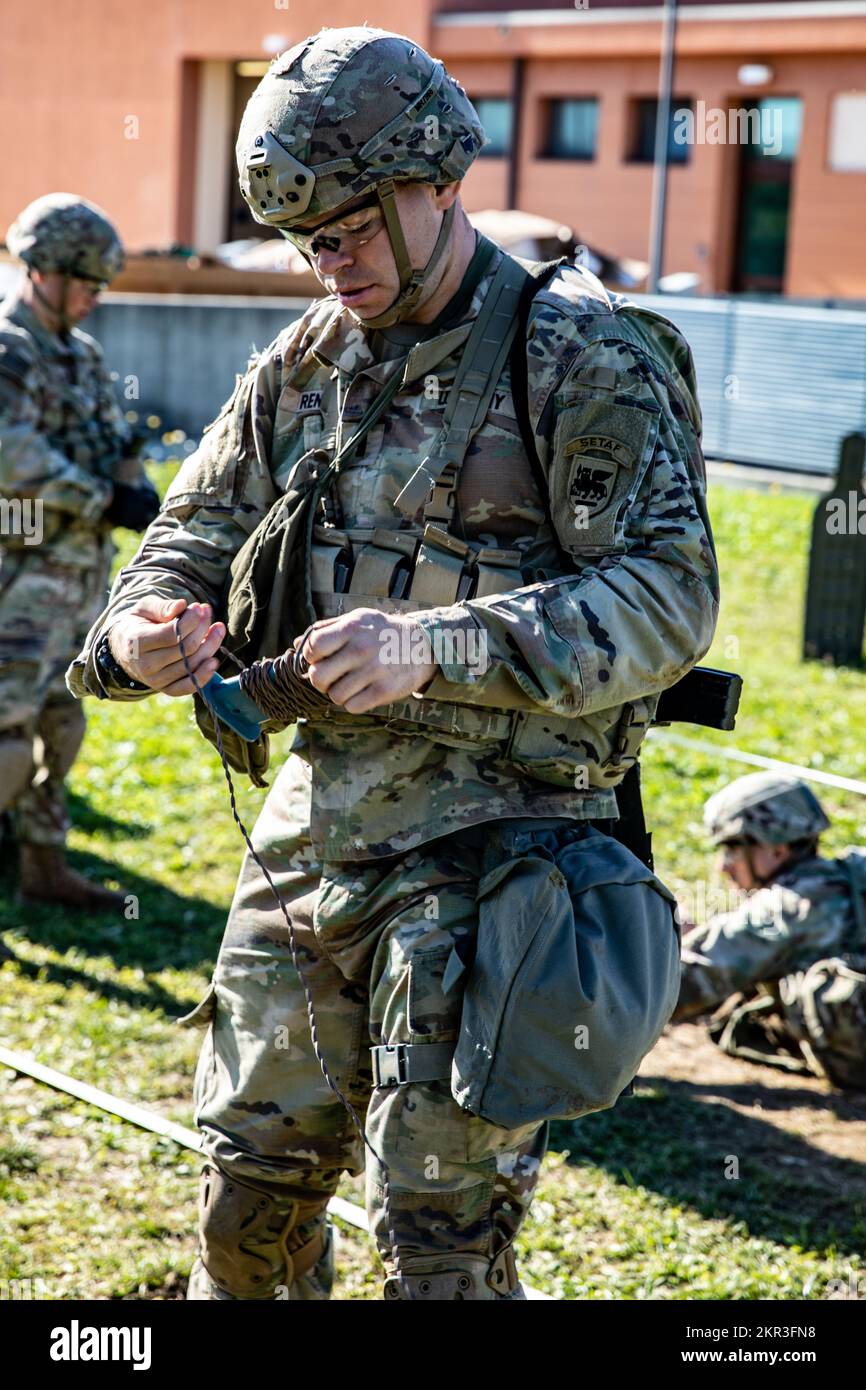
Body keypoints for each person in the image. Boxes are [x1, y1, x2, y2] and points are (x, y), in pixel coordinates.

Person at [67, 27, 719, 1299]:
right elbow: (186, 534)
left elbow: (669, 596)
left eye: (353, 228)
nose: (331, 264)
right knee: (241, 1217)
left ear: (437, 181)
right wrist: (149, 628)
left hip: (500, 859)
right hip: (314, 850)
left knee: (440, 1255)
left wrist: (434, 644)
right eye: (307, 240)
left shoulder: (578, 354)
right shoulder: (309, 357)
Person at [0, 193, 159, 910]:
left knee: (60, 727)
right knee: (6, 732)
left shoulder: (80, 352)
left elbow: (103, 441)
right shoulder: (10, 346)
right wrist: (100, 497)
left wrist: (134, 483)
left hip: (74, 577)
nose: (95, 298)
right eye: (86, 282)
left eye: (101, 285)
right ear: (43, 270)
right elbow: (11, 455)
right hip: (18, 573)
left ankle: (43, 867)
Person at [674, 772, 866, 1088]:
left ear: (776, 849)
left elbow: (676, 986)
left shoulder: (783, 911)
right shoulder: (851, 874)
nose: (724, 866)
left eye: (733, 848)